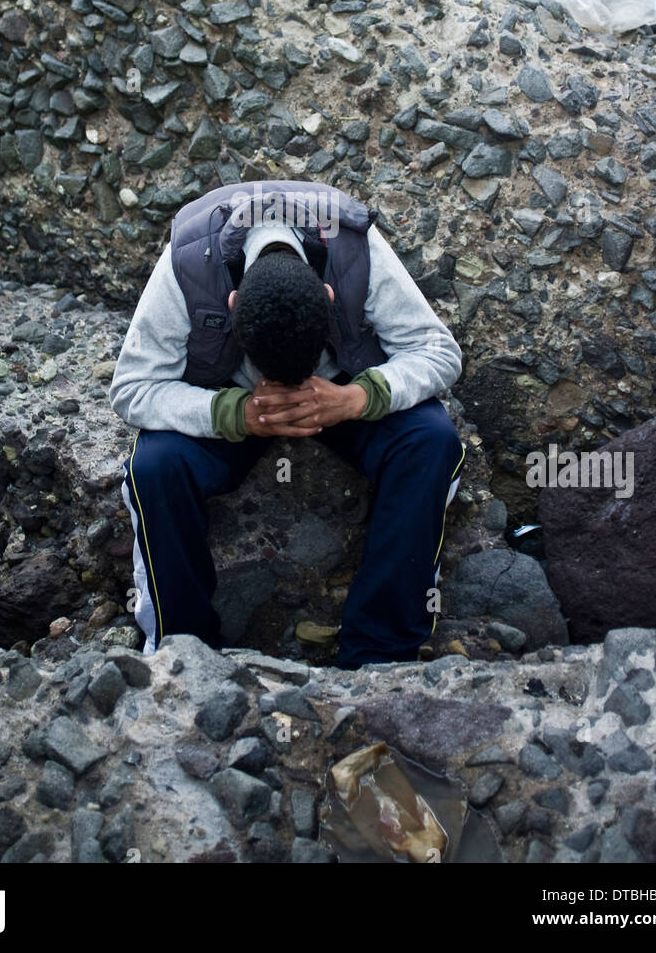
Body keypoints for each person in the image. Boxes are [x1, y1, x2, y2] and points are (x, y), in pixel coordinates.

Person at [109, 179, 465, 670]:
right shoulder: (186, 263)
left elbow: (440, 351)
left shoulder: (357, 248)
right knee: (155, 467)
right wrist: (233, 413)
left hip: (340, 388)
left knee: (431, 442)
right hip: (230, 395)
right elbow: (130, 387)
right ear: (232, 307)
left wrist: (360, 397)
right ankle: (182, 652)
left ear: (328, 295)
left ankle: (380, 654)